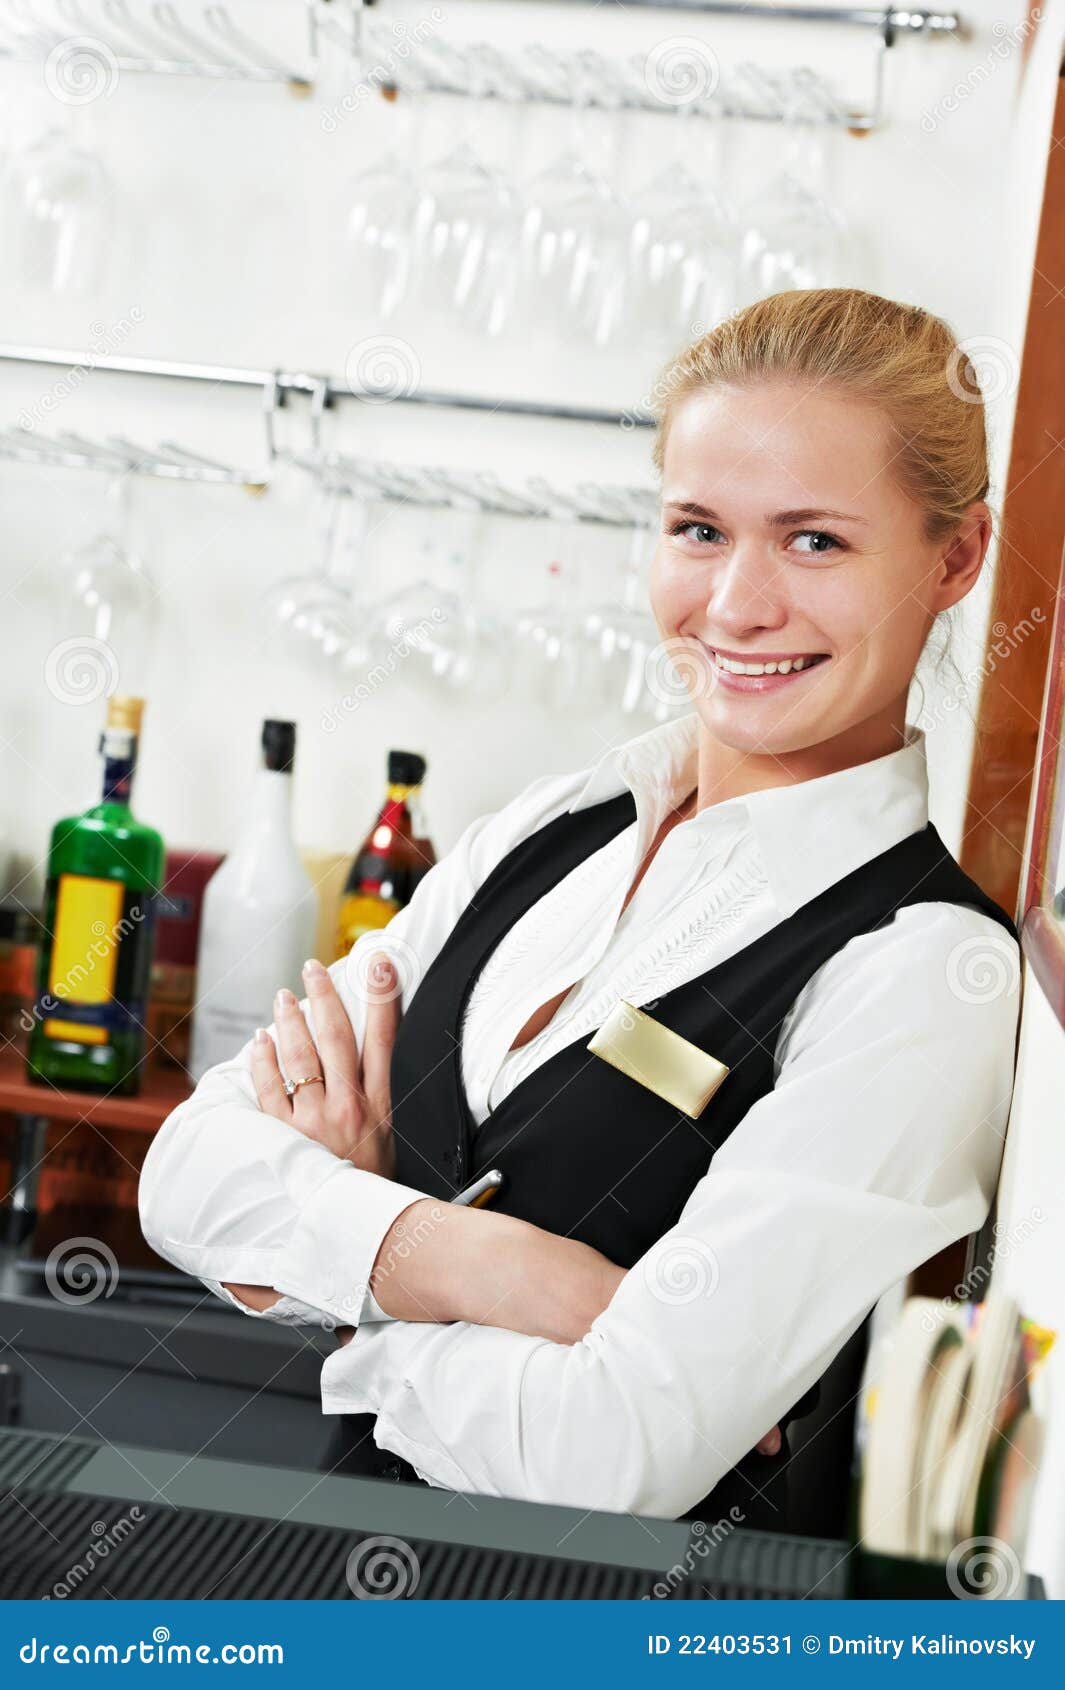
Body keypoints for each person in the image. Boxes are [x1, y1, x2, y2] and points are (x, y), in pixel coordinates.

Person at [139, 287, 1021, 1532]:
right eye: (699, 528)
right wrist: (489, 1264)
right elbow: (185, 1168)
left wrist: (347, 1284)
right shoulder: (557, 826)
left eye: (814, 541)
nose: (735, 605)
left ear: (955, 558)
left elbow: (616, 1453)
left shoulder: (923, 970)